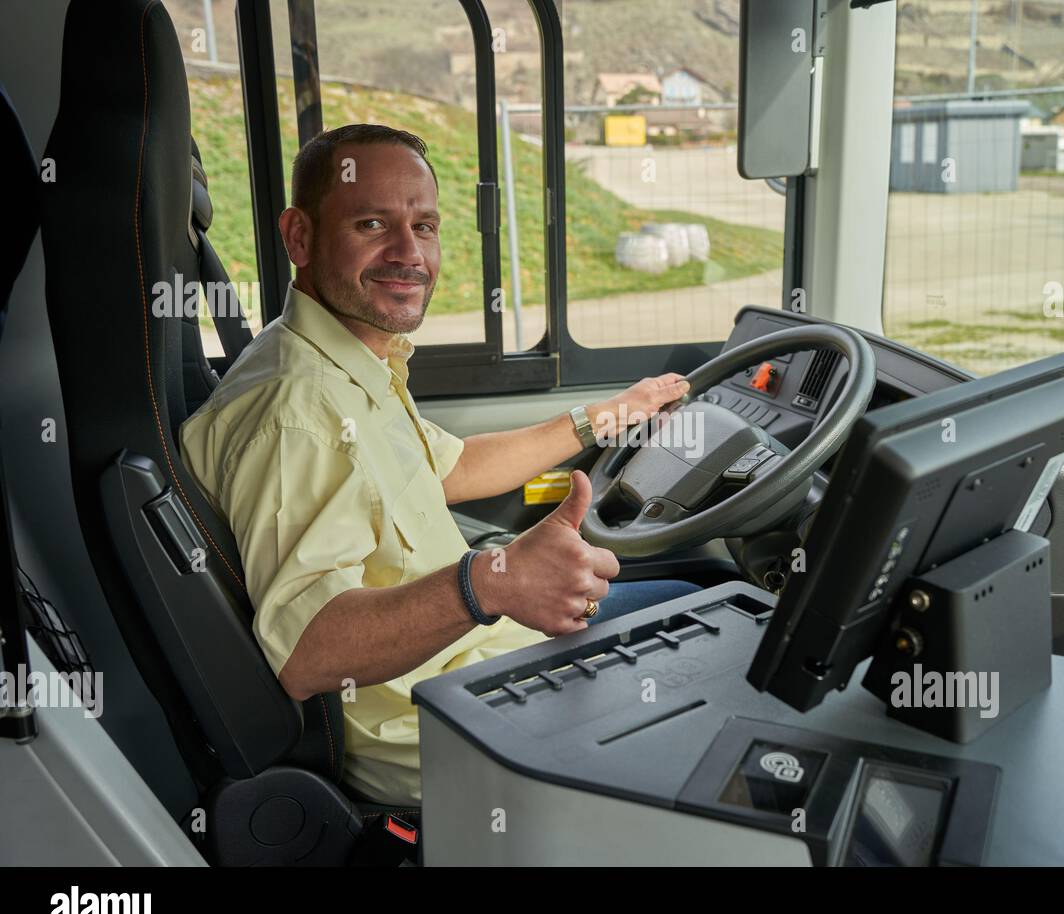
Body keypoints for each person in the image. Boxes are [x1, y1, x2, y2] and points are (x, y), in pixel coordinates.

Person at [180, 124, 699, 805]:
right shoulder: (299, 410)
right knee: (712, 678)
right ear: (299, 237)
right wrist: (494, 583)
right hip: (436, 715)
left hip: (475, 654)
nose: (409, 253)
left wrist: (606, 416)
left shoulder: (346, 360)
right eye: (372, 223)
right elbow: (309, 651)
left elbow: (448, 469)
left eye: (423, 226)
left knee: (693, 601)